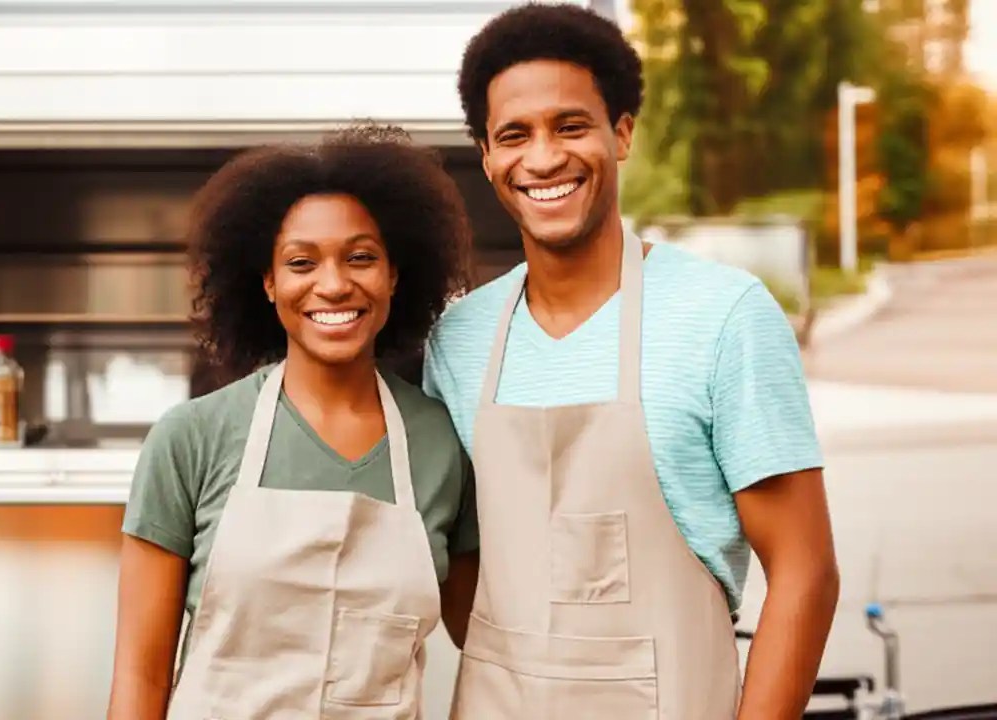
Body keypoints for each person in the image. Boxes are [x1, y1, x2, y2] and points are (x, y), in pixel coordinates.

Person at [425, 4, 840, 718]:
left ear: (622, 134)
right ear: (486, 155)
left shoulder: (724, 316)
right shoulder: (456, 340)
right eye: (514, 135)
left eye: (572, 126)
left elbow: (805, 574)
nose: (544, 157)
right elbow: (458, 562)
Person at [107, 123, 480, 719]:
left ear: (395, 276)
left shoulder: (443, 442)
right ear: (268, 282)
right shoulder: (191, 438)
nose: (333, 285)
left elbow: (487, 642)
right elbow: (141, 674)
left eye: (361, 257)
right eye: (301, 262)